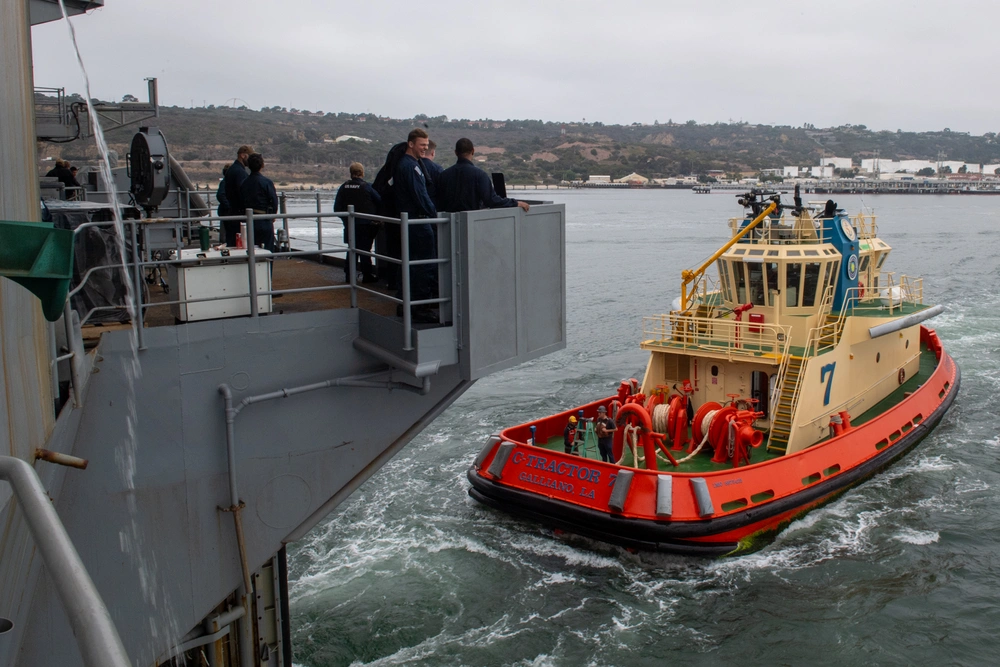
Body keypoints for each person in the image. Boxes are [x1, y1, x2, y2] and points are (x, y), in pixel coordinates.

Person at [393, 128, 438, 323]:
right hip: (418, 222)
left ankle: (406, 304)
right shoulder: (410, 167)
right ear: (411, 144)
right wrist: (435, 216)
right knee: (423, 265)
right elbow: (420, 196)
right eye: (422, 145)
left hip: (411, 221)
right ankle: (420, 308)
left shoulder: (408, 164)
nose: (424, 149)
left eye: (426, 146)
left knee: (411, 264)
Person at [435, 138, 530, 213]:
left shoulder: (444, 175)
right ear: (473, 151)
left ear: (456, 152)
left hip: (447, 226)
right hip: (470, 223)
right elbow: (491, 200)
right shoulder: (479, 174)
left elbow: (438, 201)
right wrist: (515, 203)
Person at [334, 162, 382, 283]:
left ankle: (349, 276)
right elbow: (379, 201)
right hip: (366, 225)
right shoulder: (366, 187)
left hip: (350, 224)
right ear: (362, 172)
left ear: (351, 173)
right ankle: (367, 275)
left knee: (351, 250)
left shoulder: (343, 187)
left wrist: (345, 220)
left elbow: (337, 208)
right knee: (365, 250)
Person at [239, 153, 278, 251]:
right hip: (265, 219)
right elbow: (274, 200)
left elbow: (241, 200)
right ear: (262, 165)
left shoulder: (244, 183)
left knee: (252, 250)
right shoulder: (266, 182)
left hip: (250, 220)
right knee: (268, 250)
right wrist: (272, 215)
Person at [223, 145, 253, 246]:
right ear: (243, 155)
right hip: (238, 212)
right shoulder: (240, 172)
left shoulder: (232, 169)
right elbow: (243, 193)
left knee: (232, 242)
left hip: (232, 211)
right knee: (238, 243)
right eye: (249, 156)